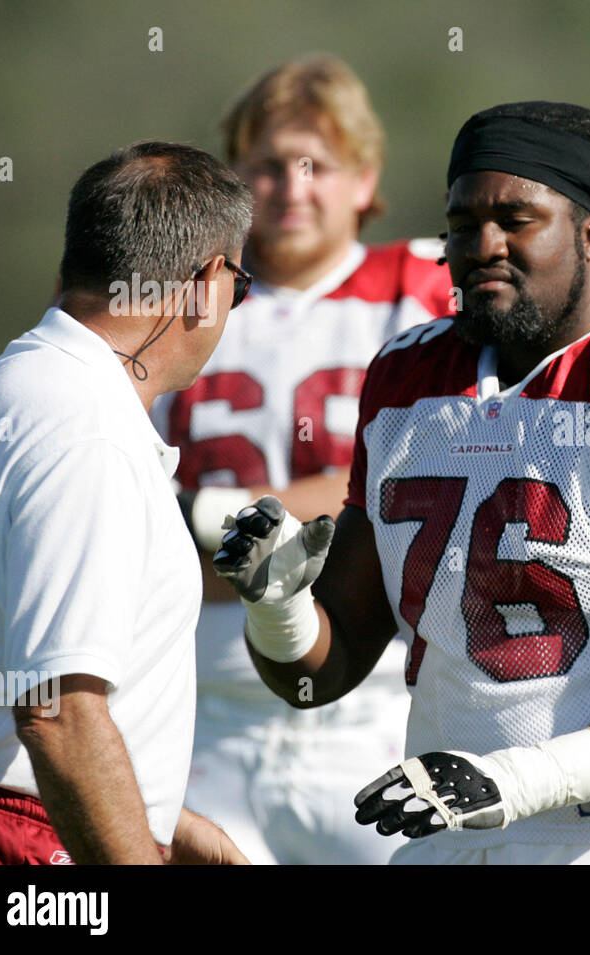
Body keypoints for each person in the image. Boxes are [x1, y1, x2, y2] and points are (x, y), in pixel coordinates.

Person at [210, 100, 590, 864]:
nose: (483, 245)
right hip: (458, 833)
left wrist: (514, 779)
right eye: (463, 225)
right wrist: (277, 603)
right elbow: (323, 671)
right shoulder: (407, 377)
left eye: (515, 219)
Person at [150, 56, 455, 865]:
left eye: (317, 165)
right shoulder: (179, 300)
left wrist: (204, 523)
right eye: (269, 165)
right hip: (200, 712)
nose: (291, 187)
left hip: (372, 707)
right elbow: (115, 505)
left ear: (366, 178)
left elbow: (394, 501)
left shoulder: (424, 287)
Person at [0, 141, 254, 864]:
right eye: (240, 285)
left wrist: (171, 829)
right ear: (207, 281)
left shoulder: (2, 393)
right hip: (24, 841)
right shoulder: (88, 429)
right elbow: (57, 713)